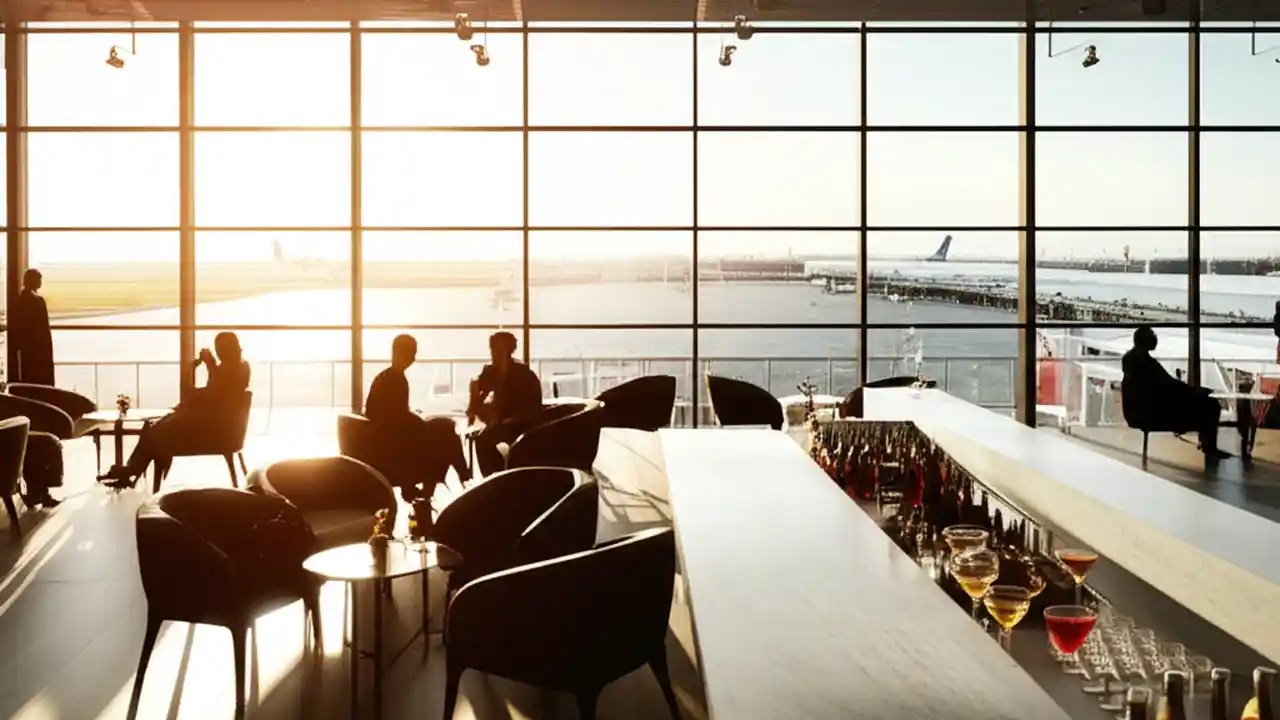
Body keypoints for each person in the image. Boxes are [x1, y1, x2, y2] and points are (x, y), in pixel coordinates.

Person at [99, 332, 251, 487]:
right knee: (151, 427)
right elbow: (212, 393)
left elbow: (214, 393)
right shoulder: (236, 368)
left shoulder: (232, 370)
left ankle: (132, 472)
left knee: (153, 432)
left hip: (210, 432)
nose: (240, 348)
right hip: (213, 426)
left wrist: (209, 367)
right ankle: (131, 472)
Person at [364, 334, 470, 501]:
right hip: (399, 440)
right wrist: (418, 422)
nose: (414, 358)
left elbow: (387, 412)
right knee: (448, 437)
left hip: (398, 435)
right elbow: (395, 416)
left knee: (446, 432)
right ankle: (463, 479)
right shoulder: (394, 380)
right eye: (412, 353)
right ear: (401, 353)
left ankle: (456, 481)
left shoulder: (388, 377)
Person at [1121, 326, 1228, 461]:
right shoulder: (1146, 364)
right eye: (1153, 335)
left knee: (1203, 406)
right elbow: (1171, 385)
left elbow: (1168, 386)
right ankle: (1209, 447)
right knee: (1210, 406)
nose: (1156, 338)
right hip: (1150, 415)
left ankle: (1207, 445)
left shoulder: (1133, 361)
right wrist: (1199, 391)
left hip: (1139, 413)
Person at [467, 331, 544, 476]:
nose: (493, 353)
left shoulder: (523, 374)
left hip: (524, 422)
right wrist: (476, 389)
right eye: (492, 349)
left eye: (497, 349)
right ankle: (497, 475)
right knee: (484, 437)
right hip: (506, 421)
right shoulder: (492, 372)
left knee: (485, 439)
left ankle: (497, 477)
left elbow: (530, 408)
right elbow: (475, 404)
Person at [12, 269, 54, 386]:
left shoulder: (20, 300)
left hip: (27, 348)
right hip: (39, 348)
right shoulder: (38, 301)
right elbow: (43, 328)